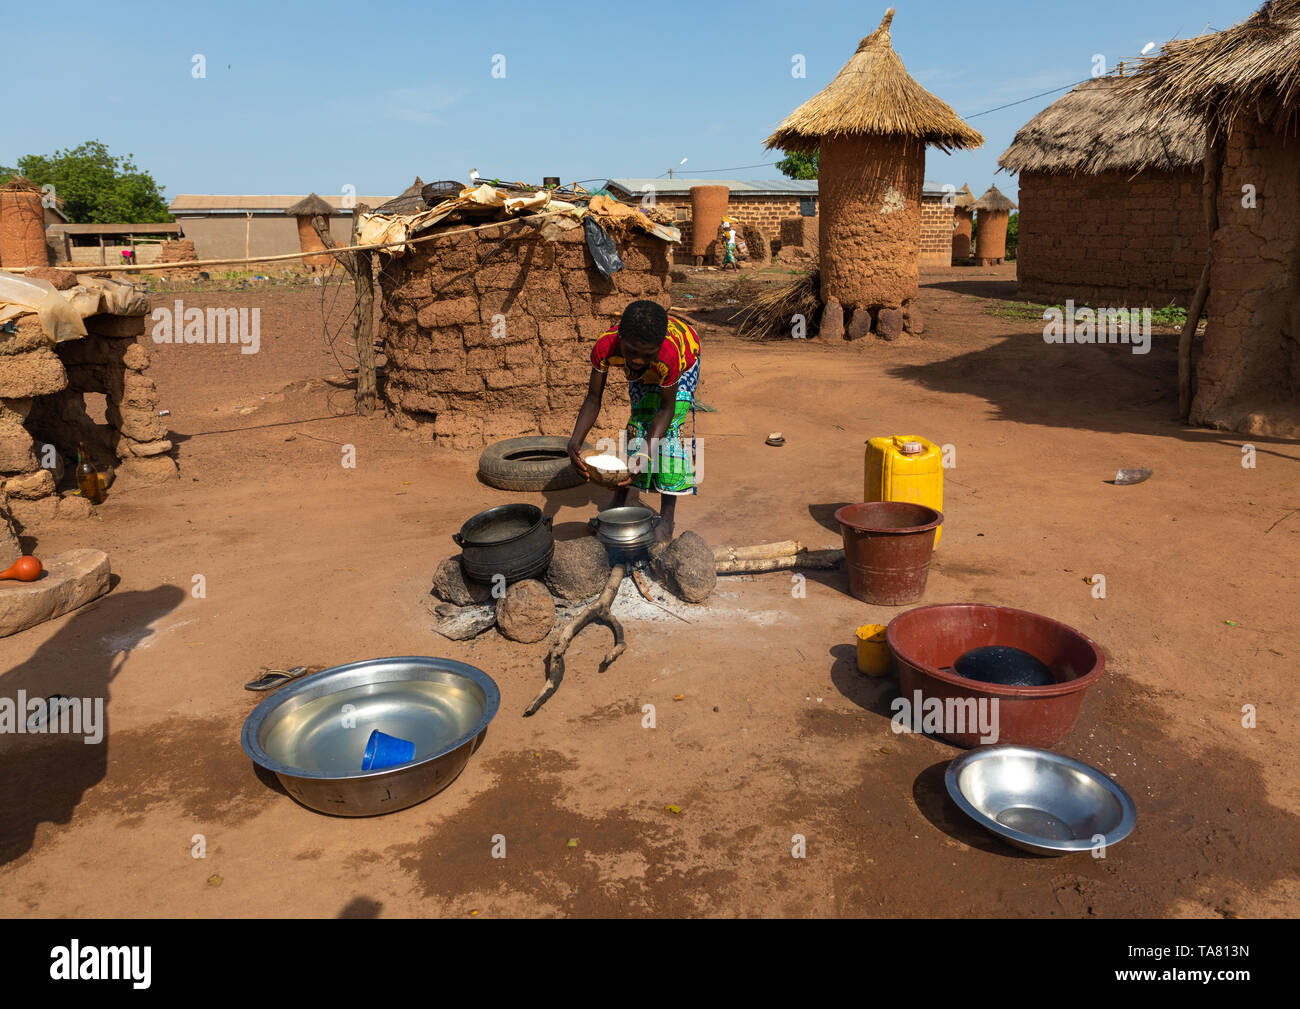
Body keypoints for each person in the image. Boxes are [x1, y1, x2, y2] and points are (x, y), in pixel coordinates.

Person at [567, 300, 700, 542]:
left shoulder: (668, 353)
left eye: (645, 354)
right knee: (638, 424)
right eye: (632, 352)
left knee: (668, 438)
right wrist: (574, 441)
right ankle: (619, 502)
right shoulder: (606, 346)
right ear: (620, 338)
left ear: (656, 347)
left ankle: (667, 518)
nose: (637, 361)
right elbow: (593, 399)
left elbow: (666, 409)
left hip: (684, 360)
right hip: (652, 361)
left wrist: (646, 455)